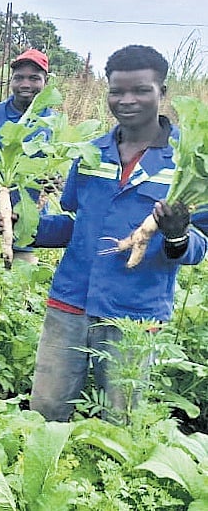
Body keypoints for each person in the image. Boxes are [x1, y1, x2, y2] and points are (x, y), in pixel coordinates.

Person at [12, 45, 207, 421]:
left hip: (134, 312)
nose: (127, 100)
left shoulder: (188, 161)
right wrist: (25, 226)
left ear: (162, 93)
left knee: (121, 417)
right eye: (117, 91)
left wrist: (177, 236)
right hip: (70, 300)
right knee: (47, 408)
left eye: (141, 90)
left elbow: (200, 244)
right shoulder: (91, 153)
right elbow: (75, 224)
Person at [0, 49, 53, 274]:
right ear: (11, 80)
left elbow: (56, 167)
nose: (26, 83)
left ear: (46, 81)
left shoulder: (52, 122)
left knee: (20, 297)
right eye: (19, 77)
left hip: (26, 220)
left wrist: (53, 180)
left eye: (34, 78)